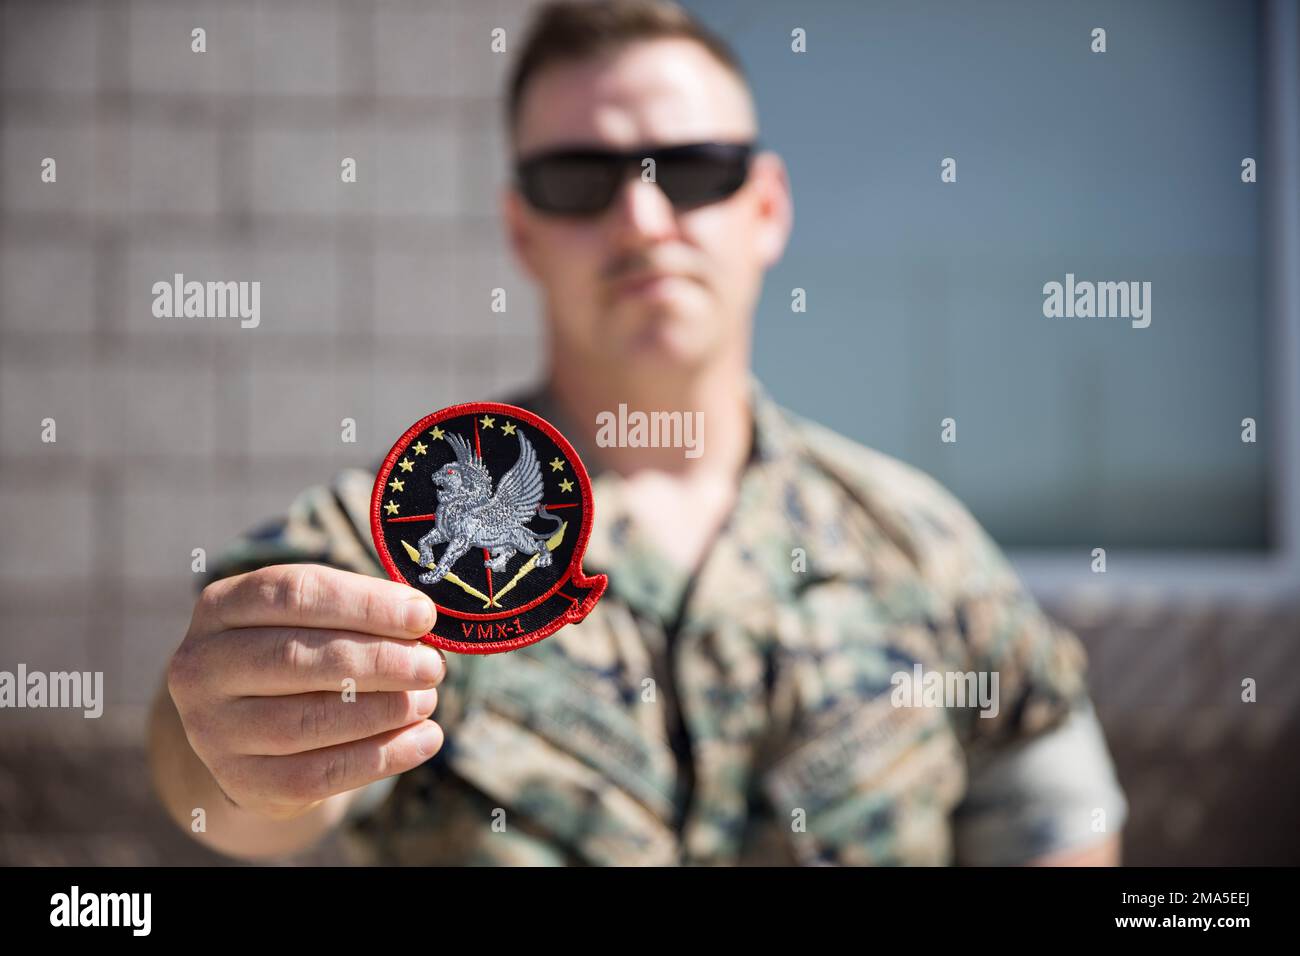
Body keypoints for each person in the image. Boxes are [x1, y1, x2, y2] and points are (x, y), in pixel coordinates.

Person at [148, 0, 1127, 865]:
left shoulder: (923, 545)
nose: (642, 216)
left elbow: (1052, 814)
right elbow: (223, 791)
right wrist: (235, 754)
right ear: (522, 230)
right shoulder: (388, 536)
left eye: (695, 170)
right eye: (580, 178)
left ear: (767, 205)